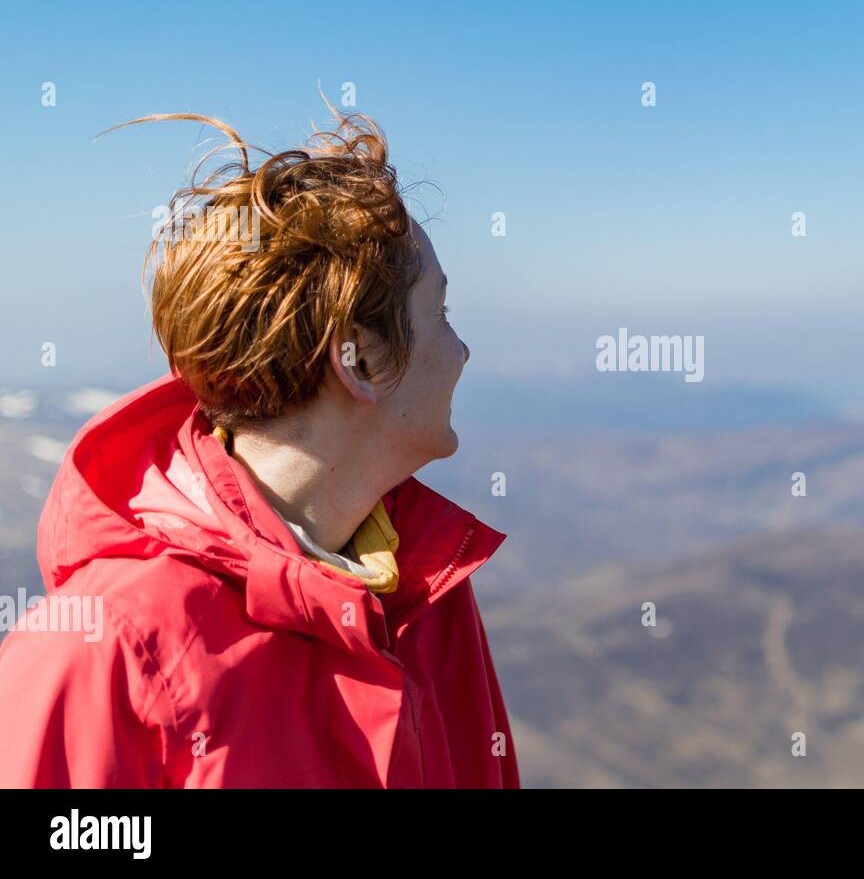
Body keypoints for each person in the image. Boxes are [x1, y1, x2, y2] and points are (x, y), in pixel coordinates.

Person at [0, 105, 519, 787]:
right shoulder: (104, 649)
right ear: (356, 360)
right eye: (440, 313)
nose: (462, 350)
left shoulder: (424, 595)